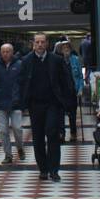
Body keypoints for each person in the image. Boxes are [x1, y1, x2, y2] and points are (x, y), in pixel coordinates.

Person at [19, 33, 76, 182]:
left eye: (42, 42)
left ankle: (54, 169)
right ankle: (43, 169)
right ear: (33, 44)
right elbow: (21, 81)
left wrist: (67, 100)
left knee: (52, 134)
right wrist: (21, 101)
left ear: (47, 44)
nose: (39, 45)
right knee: (37, 137)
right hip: (35, 104)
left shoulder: (56, 60)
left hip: (52, 103)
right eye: (37, 42)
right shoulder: (26, 61)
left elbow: (65, 80)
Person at [0, 41, 25, 166]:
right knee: (3, 131)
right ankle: (8, 154)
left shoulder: (19, 65)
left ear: (12, 52)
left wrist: (21, 97)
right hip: (1, 103)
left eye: (8, 51)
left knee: (17, 128)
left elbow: (23, 83)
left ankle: (20, 147)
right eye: (3, 52)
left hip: (16, 103)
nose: (5, 54)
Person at [56, 39, 83, 141]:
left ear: (70, 49)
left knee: (72, 115)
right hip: (61, 93)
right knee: (60, 115)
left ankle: (73, 133)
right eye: (64, 48)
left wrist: (80, 89)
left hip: (72, 92)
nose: (66, 49)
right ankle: (61, 134)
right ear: (61, 50)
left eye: (68, 47)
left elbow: (80, 76)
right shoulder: (58, 60)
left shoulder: (75, 59)